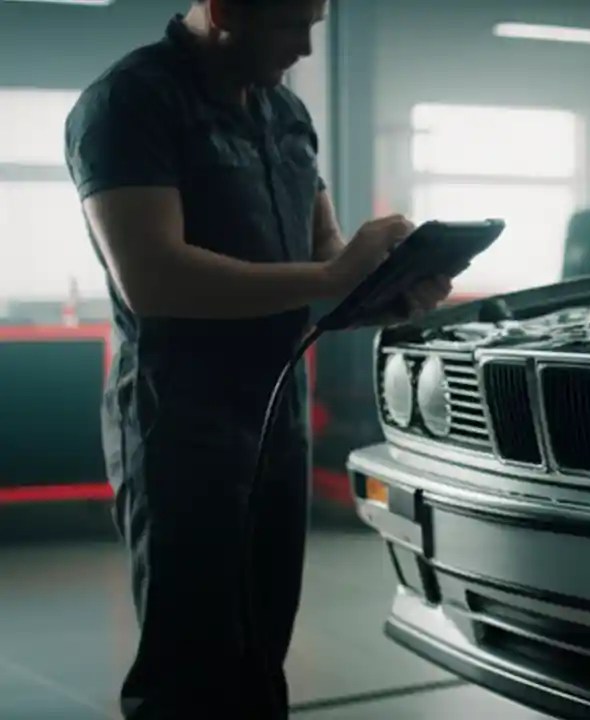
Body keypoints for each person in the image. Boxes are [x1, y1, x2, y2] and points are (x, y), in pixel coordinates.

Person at [62, 1, 450, 717]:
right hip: (178, 417)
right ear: (221, 9)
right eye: (288, 24)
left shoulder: (284, 114)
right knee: (191, 660)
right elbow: (152, 278)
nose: (305, 47)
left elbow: (324, 261)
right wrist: (333, 281)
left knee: (262, 647)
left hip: (275, 410)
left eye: (315, 22)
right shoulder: (128, 103)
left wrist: (382, 292)